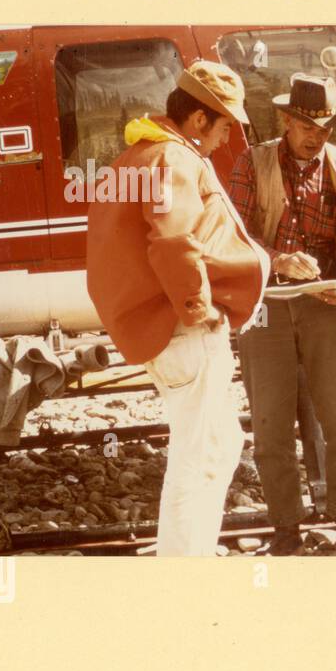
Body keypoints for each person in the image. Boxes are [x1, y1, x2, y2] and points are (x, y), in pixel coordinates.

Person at [86, 61, 268, 556]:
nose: (226, 138)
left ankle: (188, 558)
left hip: (165, 330)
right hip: (186, 333)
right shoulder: (174, 159)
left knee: (220, 444)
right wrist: (195, 305)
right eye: (225, 125)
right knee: (201, 457)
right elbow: (172, 240)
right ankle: (186, 576)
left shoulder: (137, 156)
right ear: (200, 120)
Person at [227, 73, 336, 556]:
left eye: (326, 127)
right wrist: (277, 260)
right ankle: (285, 527)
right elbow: (237, 236)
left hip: (324, 305)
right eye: (308, 125)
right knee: (270, 425)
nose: (317, 135)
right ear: (286, 121)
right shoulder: (252, 162)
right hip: (265, 307)